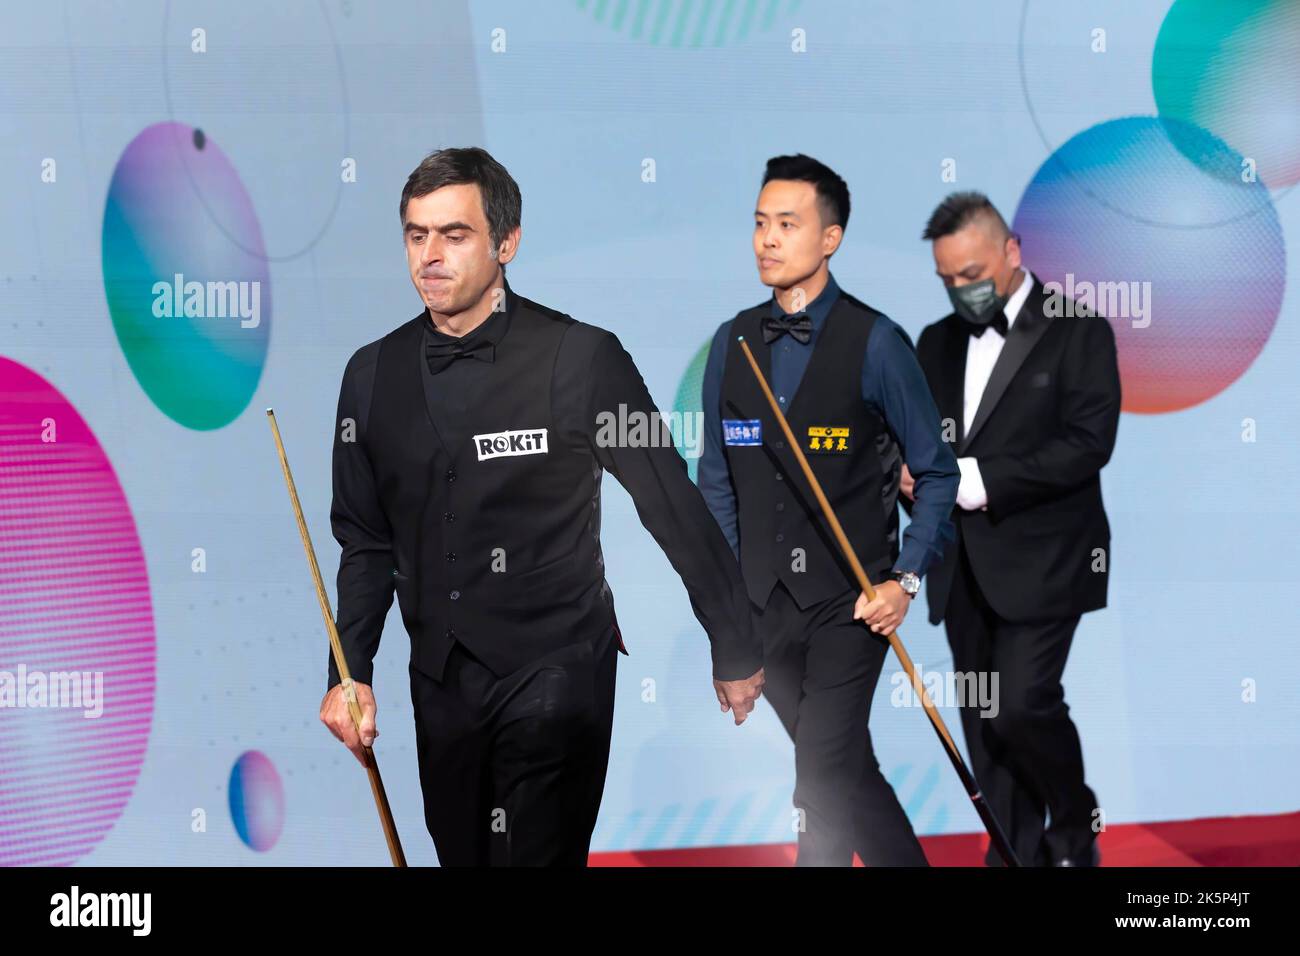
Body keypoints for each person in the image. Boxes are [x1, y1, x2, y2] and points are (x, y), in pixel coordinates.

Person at [319, 147, 765, 866]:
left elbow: (668, 500)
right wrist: (350, 669)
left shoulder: (582, 359)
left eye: (454, 235)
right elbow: (366, 542)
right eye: (416, 235)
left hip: (559, 665)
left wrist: (734, 640)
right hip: (441, 681)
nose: (430, 255)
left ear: (506, 242)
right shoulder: (369, 376)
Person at [699, 154, 959, 866]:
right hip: (763, 608)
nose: (767, 240)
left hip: (850, 604)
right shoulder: (734, 342)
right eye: (759, 224)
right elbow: (716, 483)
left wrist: (903, 580)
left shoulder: (876, 341)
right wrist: (730, 616)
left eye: (787, 224)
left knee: (817, 771)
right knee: (843, 768)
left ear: (831, 238)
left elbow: (936, 474)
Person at [908, 190, 1120, 866]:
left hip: (1049, 558)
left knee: (1022, 704)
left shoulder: (1078, 330)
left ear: (1011, 252)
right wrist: (913, 480)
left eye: (971, 274)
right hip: (960, 566)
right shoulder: (934, 343)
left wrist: (975, 479)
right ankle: (1016, 856)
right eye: (947, 280)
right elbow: (915, 443)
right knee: (985, 729)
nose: (961, 291)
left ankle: (1075, 819)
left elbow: (1087, 444)